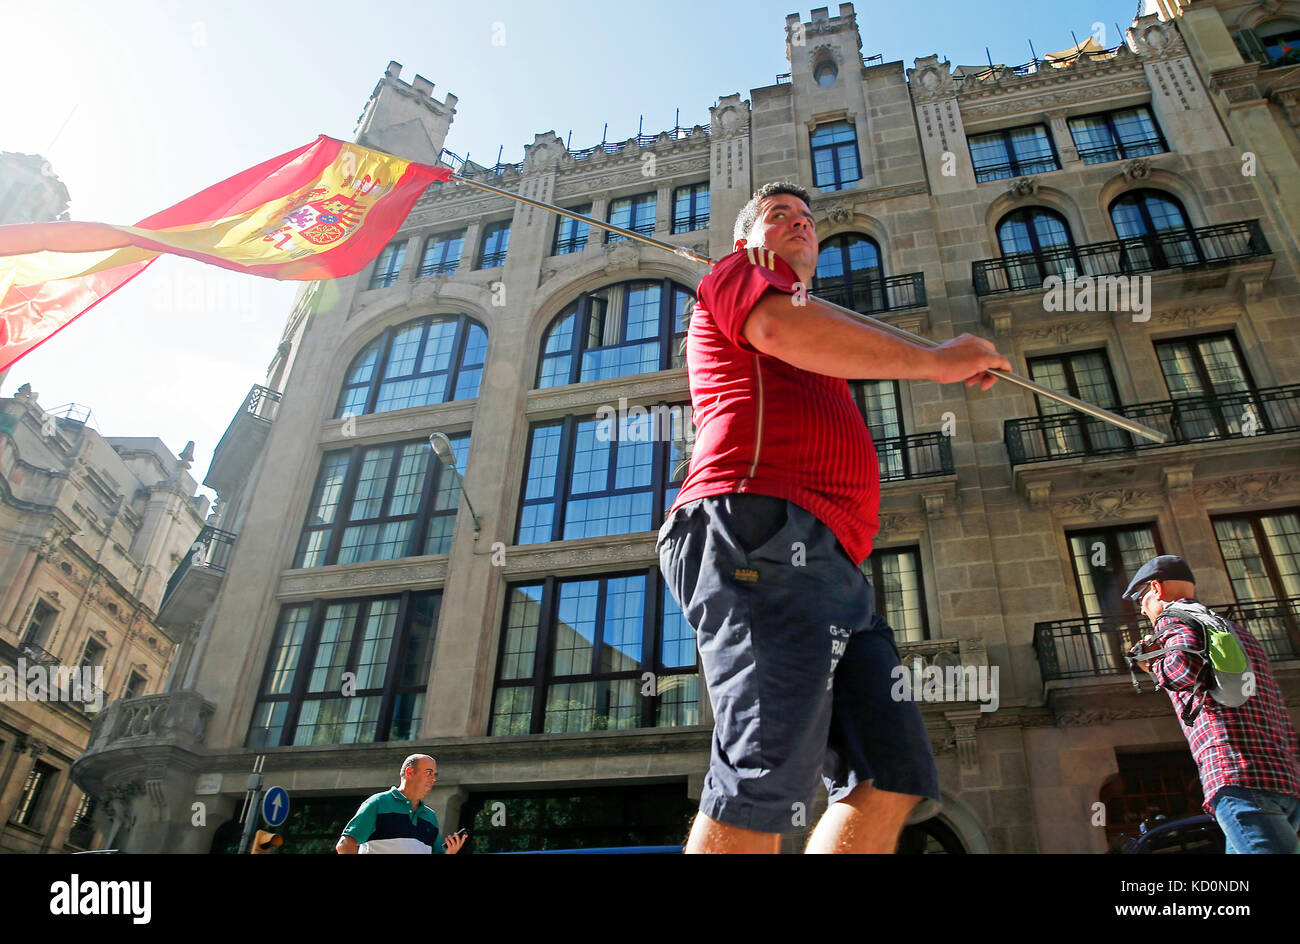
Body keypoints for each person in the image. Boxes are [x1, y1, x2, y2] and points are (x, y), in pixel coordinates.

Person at [656, 181, 1012, 853]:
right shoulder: (742, 274)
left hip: (832, 563)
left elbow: (805, 334)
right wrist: (937, 363)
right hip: (757, 526)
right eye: (778, 215)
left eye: (807, 219)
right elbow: (775, 325)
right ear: (745, 240)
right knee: (765, 767)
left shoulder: (811, 324)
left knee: (893, 771)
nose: (797, 223)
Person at [1127, 554, 1300, 853]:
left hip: (1237, 775)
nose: (1142, 609)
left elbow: (1183, 667)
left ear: (1156, 588)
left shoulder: (1174, 618)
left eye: (1141, 598)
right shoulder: (1233, 630)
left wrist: (1152, 664)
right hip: (1282, 777)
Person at [335, 754, 467, 854]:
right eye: (428, 773)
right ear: (409, 772)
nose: (433, 779)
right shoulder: (378, 803)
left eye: (434, 775)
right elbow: (345, 845)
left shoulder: (430, 817)